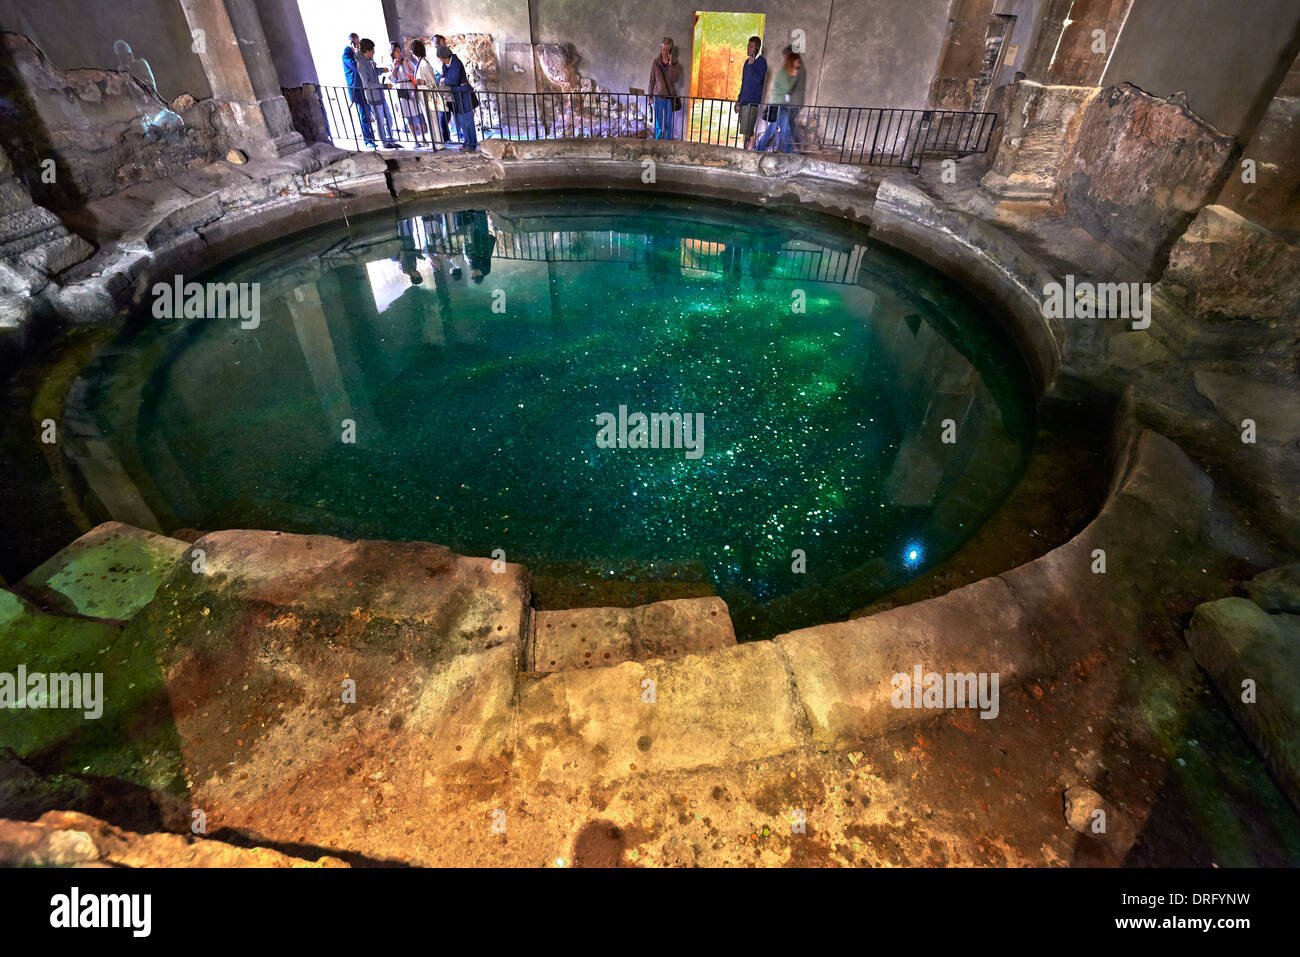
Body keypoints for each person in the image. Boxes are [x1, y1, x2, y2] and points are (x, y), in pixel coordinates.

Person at [357, 38, 399, 149]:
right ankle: (384, 143)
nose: (374, 52)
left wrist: (381, 70)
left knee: (388, 117)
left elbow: (374, 72)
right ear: (366, 51)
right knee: (379, 120)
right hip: (373, 96)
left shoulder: (370, 61)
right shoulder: (361, 64)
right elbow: (367, 84)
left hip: (379, 94)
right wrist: (384, 86)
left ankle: (390, 139)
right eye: (372, 50)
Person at [756, 49, 800, 153]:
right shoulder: (783, 74)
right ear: (791, 62)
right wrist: (794, 77)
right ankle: (789, 152)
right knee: (784, 130)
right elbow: (787, 89)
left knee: (773, 130)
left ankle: (759, 149)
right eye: (797, 61)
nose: (798, 64)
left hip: (780, 105)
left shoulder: (785, 74)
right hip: (778, 106)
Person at [438, 44, 477, 151]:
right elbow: (445, 75)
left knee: (468, 120)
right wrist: (445, 77)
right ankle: (467, 142)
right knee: (462, 120)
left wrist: (444, 80)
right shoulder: (447, 64)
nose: (440, 61)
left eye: (440, 59)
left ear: (444, 58)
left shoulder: (455, 63)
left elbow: (453, 80)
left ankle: (472, 145)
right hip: (457, 95)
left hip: (464, 94)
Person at [389, 41, 428, 146]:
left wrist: (415, 87)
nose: (399, 53)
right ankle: (415, 140)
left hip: (410, 87)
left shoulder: (407, 61)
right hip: (401, 90)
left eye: (399, 51)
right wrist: (395, 67)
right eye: (397, 51)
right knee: (408, 116)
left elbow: (415, 72)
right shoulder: (392, 65)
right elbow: (392, 80)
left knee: (417, 114)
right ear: (393, 53)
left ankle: (423, 138)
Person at [410, 39, 447, 147]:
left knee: (433, 119)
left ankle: (438, 144)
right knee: (430, 119)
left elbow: (432, 82)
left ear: (414, 52)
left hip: (428, 96)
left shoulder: (424, 64)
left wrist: (421, 82)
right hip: (424, 96)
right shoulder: (420, 63)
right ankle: (436, 142)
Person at [733, 35, 766, 149]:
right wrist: (739, 98)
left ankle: (749, 150)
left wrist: (752, 67)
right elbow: (744, 82)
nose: (748, 48)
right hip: (744, 100)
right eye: (748, 46)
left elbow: (758, 80)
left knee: (748, 129)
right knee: (744, 129)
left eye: (751, 46)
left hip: (752, 101)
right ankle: (746, 149)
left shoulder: (761, 62)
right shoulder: (747, 62)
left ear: (757, 48)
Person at [342, 34, 373, 147]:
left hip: (364, 87)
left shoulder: (357, 53)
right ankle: (368, 140)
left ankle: (372, 138)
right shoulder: (347, 54)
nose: (357, 45)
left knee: (369, 111)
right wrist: (358, 53)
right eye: (354, 43)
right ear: (350, 43)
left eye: (358, 43)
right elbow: (357, 67)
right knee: (364, 114)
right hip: (356, 89)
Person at [647, 36, 681, 140]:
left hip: (670, 97)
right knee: (658, 124)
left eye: (666, 49)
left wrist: (670, 65)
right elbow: (652, 80)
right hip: (658, 96)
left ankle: (667, 144)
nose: (664, 51)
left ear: (670, 50)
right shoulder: (656, 62)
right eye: (662, 48)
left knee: (668, 124)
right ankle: (657, 143)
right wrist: (650, 96)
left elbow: (674, 79)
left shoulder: (675, 63)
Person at [431, 35, 453, 143]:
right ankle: (445, 136)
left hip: (449, 89)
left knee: (449, 112)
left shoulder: (447, 55)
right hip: (443, 90)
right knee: (444, 114)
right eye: (442, 43)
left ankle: (454, 134)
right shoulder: (434, 57)